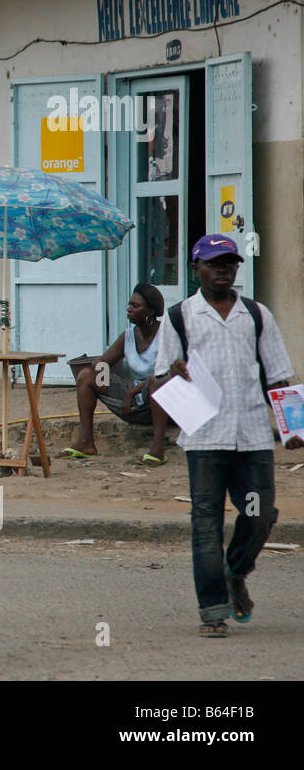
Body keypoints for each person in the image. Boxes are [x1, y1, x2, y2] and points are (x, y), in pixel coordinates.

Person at [151, 234, 301, 637]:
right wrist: (174, 372)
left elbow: (277, 374)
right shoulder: (181, 316)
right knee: (206, 524)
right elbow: (160, 377)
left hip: (252, 436)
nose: (222, 270)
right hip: (205, 438)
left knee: (258, 514)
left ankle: (236, 570)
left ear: (237, 269)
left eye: (229, 263)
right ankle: (213, 612)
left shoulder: (256, 314)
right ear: (196, 268)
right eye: (213, 263)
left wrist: (293, 427)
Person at [62, 283, 170, 465]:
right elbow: (104, 362)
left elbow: (168, 372)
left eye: (135, 306)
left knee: (156, 380)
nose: (129, 309)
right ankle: (86, 443)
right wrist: (100, 368)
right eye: (129, 304)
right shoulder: (128, 336)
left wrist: (132, 392)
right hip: (135, 399)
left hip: (161, 398)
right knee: (86, 376)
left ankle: (158, 449)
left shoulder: (167, 333)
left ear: (150, 311)